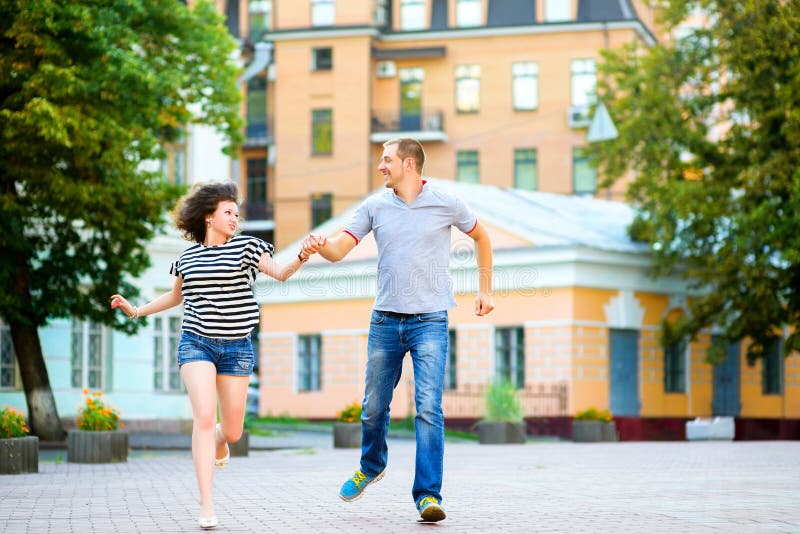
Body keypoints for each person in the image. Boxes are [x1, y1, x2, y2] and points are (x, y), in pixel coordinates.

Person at [301, 137, 494, 523]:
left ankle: (427, 495)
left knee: (428, 409)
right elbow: (340, 248)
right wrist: (320, 245)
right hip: (386, 321)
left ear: (409, 163)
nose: (380, 166)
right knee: (374, 408)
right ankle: (371, 465)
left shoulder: (446, 202)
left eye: (386, 160)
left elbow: (481, 236)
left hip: (431, 322)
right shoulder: (375, 206)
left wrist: (485, 289)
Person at [110, 182, 314, 530]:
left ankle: (222, 439)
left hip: (236, 347)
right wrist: (137, 311)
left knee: (232, 431)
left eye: (237, 213)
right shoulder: (186, 258)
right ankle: (206, 504)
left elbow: (280, 273)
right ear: (209, 216)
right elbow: (175, 298)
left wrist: (302, 255)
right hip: (196, 343)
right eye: (228, 212)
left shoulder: (248, 248)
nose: (235, 218)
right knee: (203, 418)